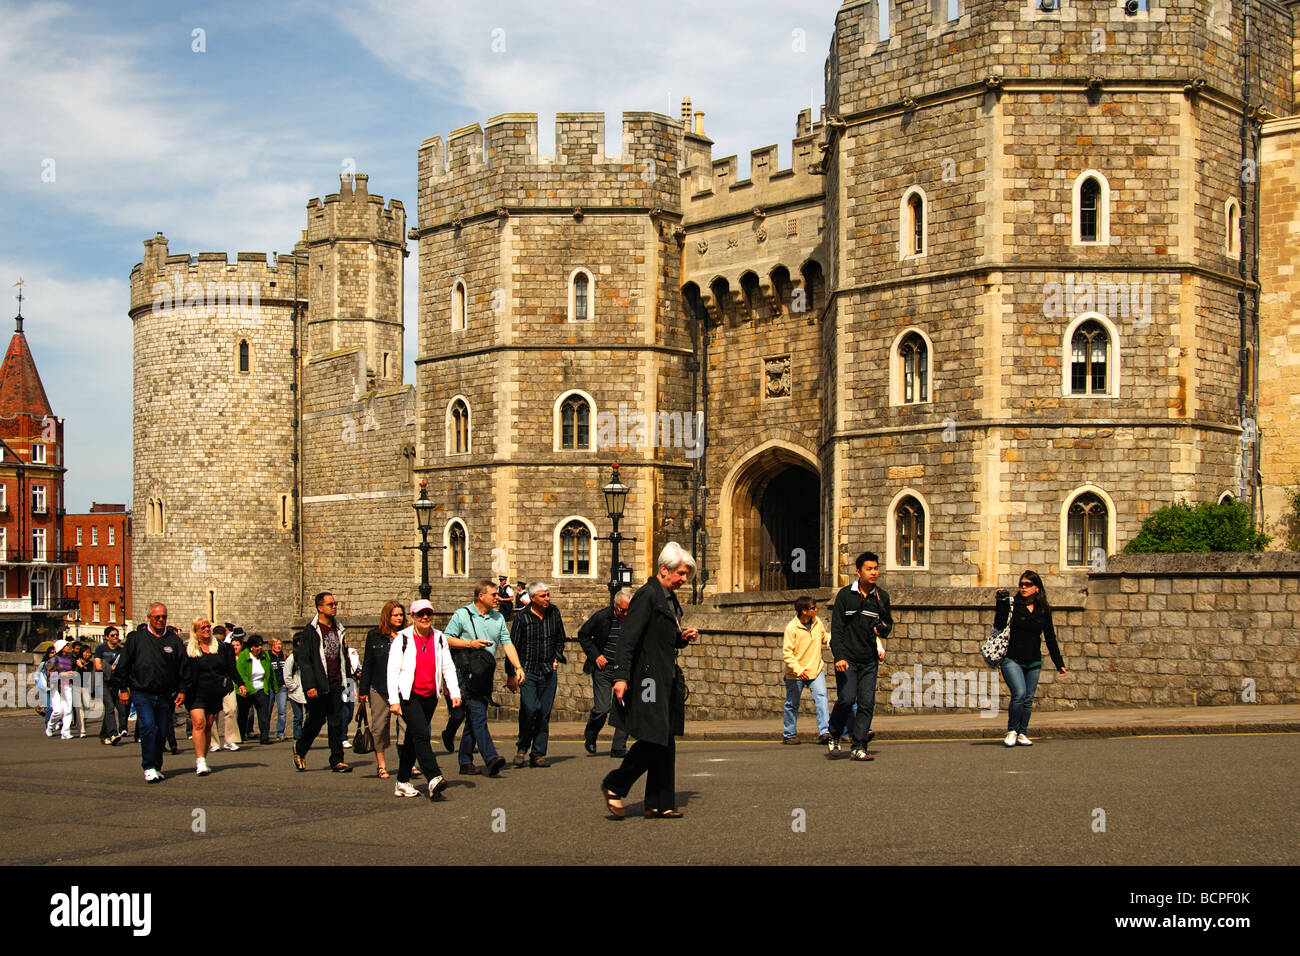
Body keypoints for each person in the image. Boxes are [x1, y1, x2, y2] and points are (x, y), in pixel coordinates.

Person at [600, 542, 699, 819]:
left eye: (686, 575)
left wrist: (681, 638)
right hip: (647, 679)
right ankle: (615, 784)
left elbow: (661, 637)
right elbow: (628, 638)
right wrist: (620, 676)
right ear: (663, 570)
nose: (684, 580)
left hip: (665, 676)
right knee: (655, 737)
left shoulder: (668, 597)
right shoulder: (647, 595)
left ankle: (660, 802)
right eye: (680, 573)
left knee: (665, 738)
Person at [442, 580, 523, 777]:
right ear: (481, 596)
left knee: (473, 717)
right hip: (463, 672)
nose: (498, 598)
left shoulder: (498, 618)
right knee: (477, 713)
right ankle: (491, 757)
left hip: (484, 673)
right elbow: (445, 639)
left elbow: (507, 643)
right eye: (494, 595)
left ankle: (465, 761)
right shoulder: (462, 614)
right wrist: (470, 644)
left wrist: (518, 667)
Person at [387, 598, 461, 799]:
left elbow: (447, 666)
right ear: (413, 617)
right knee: (421, 734)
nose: (425, 617)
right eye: (420, 614)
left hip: (430, 695)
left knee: (412, 738)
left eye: (428, 613)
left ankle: (402, 781)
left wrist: (454, 692)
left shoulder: (439, 637)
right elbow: (392, 671)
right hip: (409, 696)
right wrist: (393, 700)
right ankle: (434, 777)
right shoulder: (402, 639)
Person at [111, 603, 186, 782]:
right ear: (149, 618)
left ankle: (157, 765)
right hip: (142, 692)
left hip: (165, 694)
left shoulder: (174, 641)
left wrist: (182, 690)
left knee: (161, 731)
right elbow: (124, 666)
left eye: (164, 617)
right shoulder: (137, 639)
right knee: (148, 728)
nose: (161, 620)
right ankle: (149, 765)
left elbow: (182, 667)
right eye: (157, 617)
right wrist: (123, 689)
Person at [827, 551, 891, 762]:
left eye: (876, 568)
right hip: (848, 659)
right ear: (858, 572)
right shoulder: (845, 596)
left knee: (866, 703)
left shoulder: (882, 597)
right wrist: (839, 657)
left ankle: (859, 745)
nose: (874, 573)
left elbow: (887, 626)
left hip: (869, 660)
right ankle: (835, 733)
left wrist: (882, 629)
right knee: (846, 699)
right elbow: (836, 631)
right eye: (869, 569)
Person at [995, 570, 1067, 747]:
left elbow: (1050, 637)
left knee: (1028, 698)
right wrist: (1001, 603)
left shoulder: (1043, 610)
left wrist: (1059, 663)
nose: (1023, 587)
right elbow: (998, 624)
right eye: (1021, 584)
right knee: (1019, 694)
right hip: (1012, 659)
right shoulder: (1012, 605)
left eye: (1027, 585)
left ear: (1037, 588)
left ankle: (1022, 732)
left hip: (1033, 660)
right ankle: (1012, 730)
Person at [293, 591, 354, 772]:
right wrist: (310, 685)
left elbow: (343, 656)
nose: (334, 607)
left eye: (335, 604)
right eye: (330, 604)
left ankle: (337, 760)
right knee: (316, 720)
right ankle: (300, 748)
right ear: (320, 608)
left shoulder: (338, 629)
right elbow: (304, 661)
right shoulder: (310, 632)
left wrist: (348, 678)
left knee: (336, 721)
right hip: (319, 684)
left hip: (336, 682)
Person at [509, 581, 567, 767]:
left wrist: (557, 658)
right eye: (543, 596)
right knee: (531, 708)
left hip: (549, 671)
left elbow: (560, 638)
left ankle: (538, 753)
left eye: (548, 595)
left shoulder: (554, 613)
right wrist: (512, 673)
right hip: (527, 671)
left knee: (544, 713)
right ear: (532, 598)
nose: (547, 599)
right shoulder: (522, 618)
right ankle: (522, 746)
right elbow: (513, 645)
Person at [179, 618, 238, 775]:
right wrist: (181, 691)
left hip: (213, 691)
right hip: (194, 692)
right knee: (199, 722)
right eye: (202, 627)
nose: (206, 629)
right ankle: (201, 761)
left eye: (207, 626)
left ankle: (203, 757)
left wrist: (240, 683)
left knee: (208, 724)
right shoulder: (188, 648)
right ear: (196, 631)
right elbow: (182, 672)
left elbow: (229, 667)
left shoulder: (220, 647)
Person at [578, 589, 632, 757]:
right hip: (603, 669)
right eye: (622, 610)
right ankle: (591, 735)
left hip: (623, 670)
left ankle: (618, 747)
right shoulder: (602, 617)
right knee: (602, 708)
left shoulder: (634, 619)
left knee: (624, 707)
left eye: (628, 610)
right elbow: (583, 635)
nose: (625, 614)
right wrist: (596, 656)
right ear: (615, 607)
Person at [358, 601, 406, 779]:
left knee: (407, 728)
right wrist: (363, 690)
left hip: (402, 689)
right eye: (395, 615)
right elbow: (368, 664)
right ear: (387, 616)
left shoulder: (406, 636)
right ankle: (381, 765)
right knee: (379, 727)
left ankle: (407, 762)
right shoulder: (374, 636)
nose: (399, 618)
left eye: (401, 615)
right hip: (379, 688)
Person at [782, 595, 831, 745]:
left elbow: (825, 637)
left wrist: (834, 642)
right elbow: (787, 653)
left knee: (821, 698)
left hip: (815, 669)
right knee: (792, 703)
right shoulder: (792, 628)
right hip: (796, 673)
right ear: (804, 611)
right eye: (813, 608)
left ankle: (824, 732)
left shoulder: (817, 622)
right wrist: (798, 669)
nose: (816, 610)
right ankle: (789, 734)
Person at [235, 634, 278, 745]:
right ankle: (240, 735)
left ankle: (264, 737)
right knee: (243, 714)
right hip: (246, 690)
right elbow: (242, 675)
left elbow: (270, 672)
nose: (260, 647)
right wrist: (250, 690)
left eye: (261, 645)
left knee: (263, 714)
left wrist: (275, 687)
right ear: (251, 647)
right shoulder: (244, 657)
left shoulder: (265, 656)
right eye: (257, 645)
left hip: (261, 689)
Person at [94, 627, 128, 745]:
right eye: (113, 635)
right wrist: (113, 668)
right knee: (109, 706)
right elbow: (98, 666)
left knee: (111, 707)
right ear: (107, 637)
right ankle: (113, 733)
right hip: (102, 681)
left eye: (117, 635)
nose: (115, 637)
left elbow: (124, 667)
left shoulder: (121, 651)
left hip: (115, 682)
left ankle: (104, 734)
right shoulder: (101, 649)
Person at [215, 630, 242, 752]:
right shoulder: (205, 648)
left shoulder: (228, 648)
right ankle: (213, 742)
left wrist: (240, 683)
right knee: (212, 713)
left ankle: (230, 740)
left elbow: (232, 668)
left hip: (227, 682)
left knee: (232, 709)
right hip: (211, 683)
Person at [44, 640, 76, 739]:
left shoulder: (70, 658)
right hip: (56, 687)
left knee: (68, 709)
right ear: (61, 647)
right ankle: (50, 726)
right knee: (58, 710)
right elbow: (49, 674)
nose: (68, 646)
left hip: (67, 685)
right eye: (66, 645)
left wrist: (72, 674)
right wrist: (62, 674)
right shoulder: (54, 659)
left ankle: (66, 732)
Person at [282, 636, 307, 744]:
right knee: (298, 717)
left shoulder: (308, 656)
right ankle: (297, 739)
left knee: (310, 717)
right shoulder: (292, 658)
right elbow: (287, 675)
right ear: (298, 643)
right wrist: (293, 686)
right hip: (295, 692)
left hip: (307, 690)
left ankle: (305, 738)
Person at [73, 644, 96, 738]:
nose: (87, 654)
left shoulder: (91, 664)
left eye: (89, 652)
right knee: (79, 709)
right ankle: (82, 730)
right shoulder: (75, 663)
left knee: (88, 706)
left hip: (86, 687)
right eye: (85, 652)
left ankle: (81, 722)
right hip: (76, 686)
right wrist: (79, 666)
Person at [341, 643, 361, 749]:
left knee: (350, 714)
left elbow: (357, 667)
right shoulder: (339, 655)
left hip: (351, 683)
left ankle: (340, 733)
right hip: (342, 684)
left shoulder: (352, 653)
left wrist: (358, 673)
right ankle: (343, 738)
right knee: (345, 712)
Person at [268, 637, 288, 741]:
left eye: (280, 644)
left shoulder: (283, 656)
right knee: (268, 710)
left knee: (282, 711)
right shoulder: (267, 656)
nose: (278, 646)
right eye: (276, 644)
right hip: (270, 687)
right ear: (271, 645)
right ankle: (265, 731)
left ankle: (280, 732)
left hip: (282, 687)